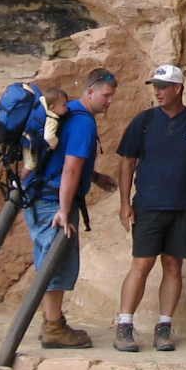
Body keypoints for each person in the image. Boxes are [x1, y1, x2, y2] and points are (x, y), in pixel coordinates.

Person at [113, 64, 186, 353]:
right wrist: (125, 203)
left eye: (162, 86)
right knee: (142, 264)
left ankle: (164, 326)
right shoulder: (144, 121)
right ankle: (124, 325)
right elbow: (127, 162)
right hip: (148, 204)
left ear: (178, 88)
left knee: (173, 265)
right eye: (154, 86)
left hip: (183, 206)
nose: (157, 91)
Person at [27, 66, 119, 349]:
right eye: (106, 95)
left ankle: (51, 322)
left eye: (112, 96)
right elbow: (70, 169)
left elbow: (67, 162)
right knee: (57, 261)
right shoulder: (83, 123)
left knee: (49, 258)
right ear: (89, 91)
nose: (110, 101)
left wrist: (95, 177)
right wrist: (65, 210)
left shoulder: (68, 114)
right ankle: (54, 327)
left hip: (39, 194)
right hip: (54, 200)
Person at [22, 85, 69, 175]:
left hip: (24, 132)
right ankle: (18, 183)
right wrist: (54, 144)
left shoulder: (40, 103)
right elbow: (48, 136)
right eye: (63, 105)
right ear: (52, 108)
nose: (66, 107)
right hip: (28, 141)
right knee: (30, 165)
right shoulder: (51, 120)